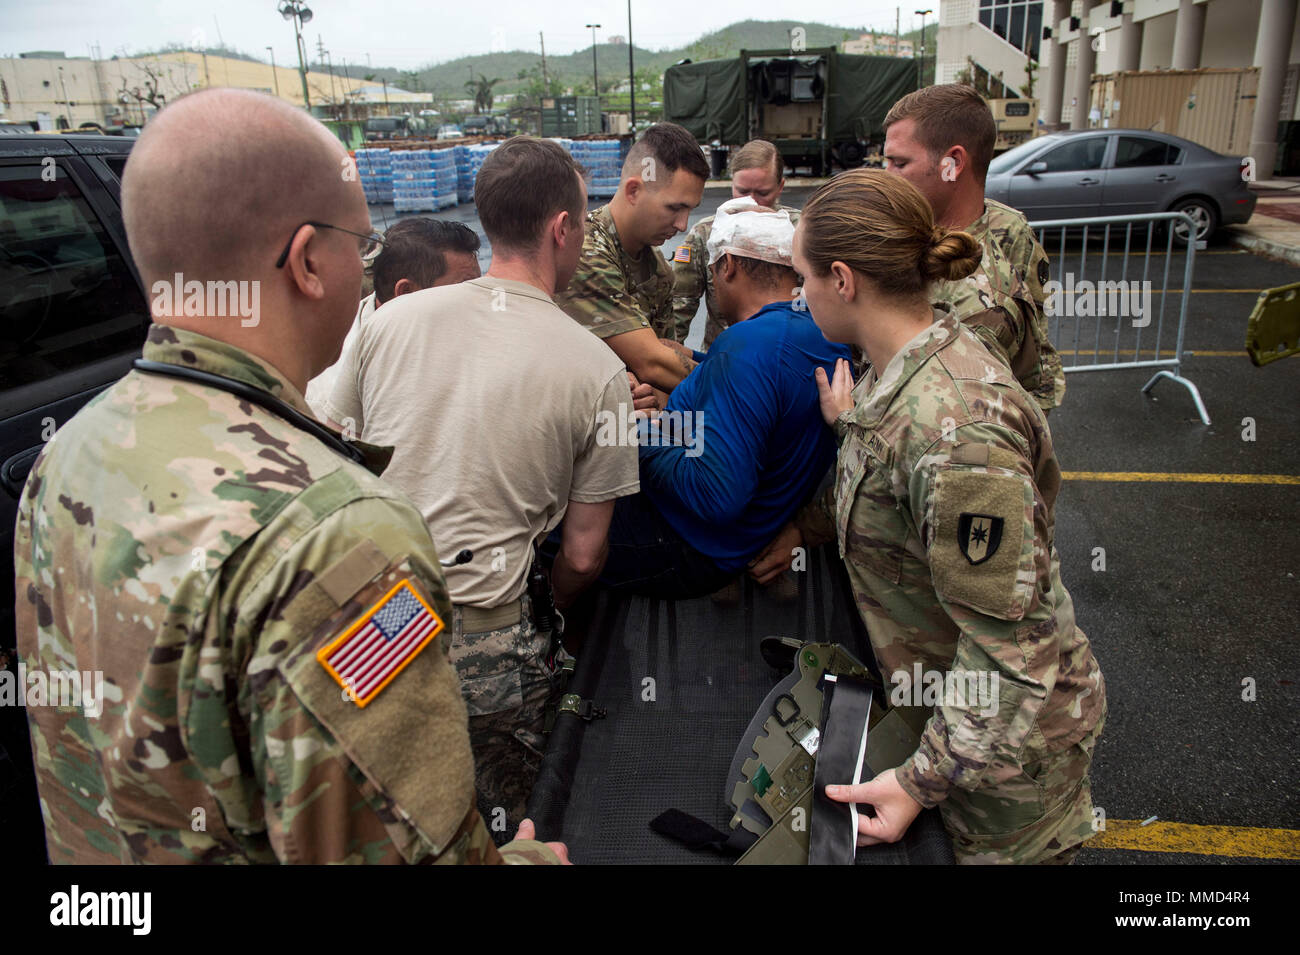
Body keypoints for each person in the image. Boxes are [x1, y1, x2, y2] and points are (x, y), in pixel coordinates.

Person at [13, 88, 563, 865]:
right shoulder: (338, 534)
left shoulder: (68, 454)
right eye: (362, 248)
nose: (365, 270)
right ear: (307, 261)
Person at [771, 169, 1105, 864]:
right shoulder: (902, 365)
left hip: (1006, 761)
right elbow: (898, 477)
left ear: (842, 279)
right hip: (953, 719)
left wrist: (920, 781)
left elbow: (1010, 647)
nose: (799, 296)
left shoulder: (959, 432)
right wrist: (842, 442)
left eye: (802, 278)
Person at [320, 136, 639, 835]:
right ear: (562, 228)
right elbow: (584, 555)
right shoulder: (597, 370)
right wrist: (538, 613)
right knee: (499, 822)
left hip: (378, 616)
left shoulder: (388, 320)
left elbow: (330, 451)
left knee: (386, 807)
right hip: (488, 634)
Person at [593, 197, 849, 599]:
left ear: (726, 266)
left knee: (556, 528)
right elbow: (769, 392)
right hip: (753, 530)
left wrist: (641, 433)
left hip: (689, 547)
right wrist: (702, 362)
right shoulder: (822, 330)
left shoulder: (745, 344)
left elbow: (716, 497)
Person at [882, 84, 1065, 412]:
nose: (887, 177)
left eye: (899, 163)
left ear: (952, 164)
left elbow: (1033, 354)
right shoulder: (892, 228)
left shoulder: (1010, 231)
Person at [555, 122, 709, 393]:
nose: (683, 224)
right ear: (633, 191)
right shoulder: (586, 250)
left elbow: (666, 365)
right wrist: (740, 390)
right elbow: (654, 363)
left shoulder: (658, 268)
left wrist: (657, 401)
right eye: (674, 208)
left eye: (690, 210)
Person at [305, 217, 481, 416]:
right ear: (406, 293)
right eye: (465, 289)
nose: (481, 302)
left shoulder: (466, 337)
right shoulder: (330, 387)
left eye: (480, 287)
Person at [670, 139, 800, 350]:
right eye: (742, 191)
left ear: (780, 187)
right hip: (724, 357)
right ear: (732, 184)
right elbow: (678, 310)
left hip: (786, 355)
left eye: (763, 193)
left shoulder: (801, 233)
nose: (751, 202)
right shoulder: (706, 234)